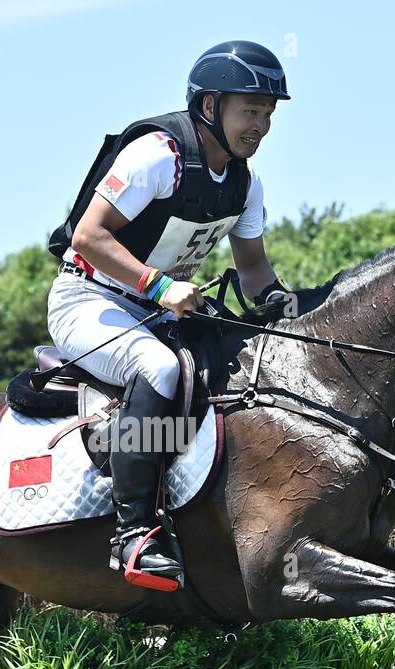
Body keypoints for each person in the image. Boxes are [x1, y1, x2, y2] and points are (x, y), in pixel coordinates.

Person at [46, 40, 292, 590]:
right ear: (210, 107)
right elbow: (88, 237)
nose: (261, 126)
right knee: (157, 369)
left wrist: (287, 308)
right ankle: (133, 534)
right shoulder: (159, 155)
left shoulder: (246, 184)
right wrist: (158, 286)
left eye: (268, 114)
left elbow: (252, 268)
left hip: (161, 311)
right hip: (88, 301)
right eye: (250, 111)